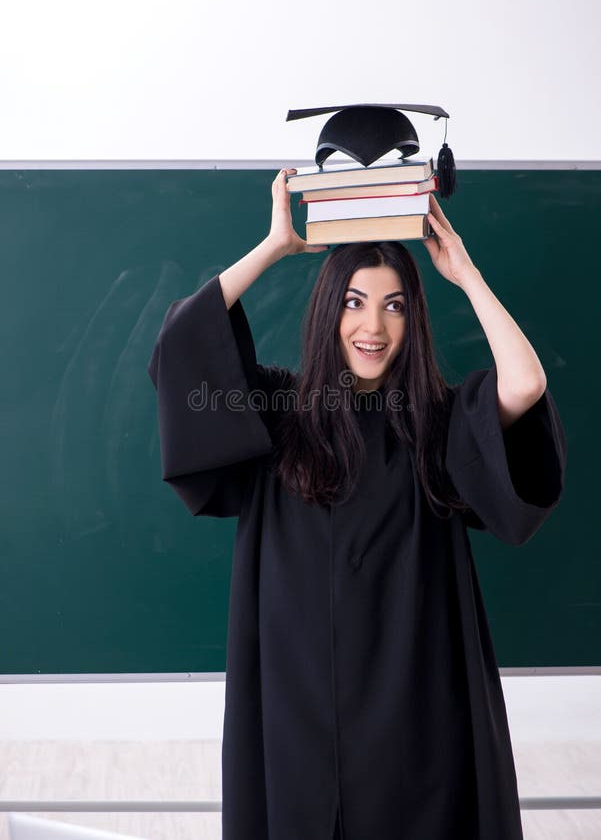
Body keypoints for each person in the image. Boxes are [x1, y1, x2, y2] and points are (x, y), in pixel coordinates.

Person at [147, 168, 567, 840]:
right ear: (326, 311)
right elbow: (179, 352)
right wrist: (275, 246)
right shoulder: (275, 413)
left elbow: (525, 382)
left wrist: (463, 273)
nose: (373, 325)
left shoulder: (434, 424)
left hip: (416, 721)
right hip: (293, 711)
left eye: (395, 305)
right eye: (353, 301)